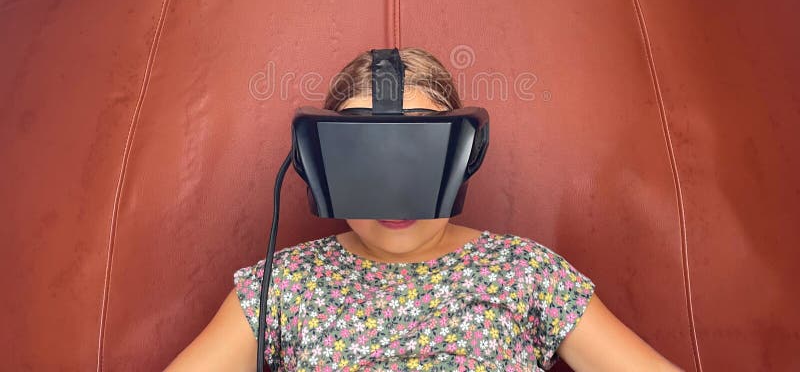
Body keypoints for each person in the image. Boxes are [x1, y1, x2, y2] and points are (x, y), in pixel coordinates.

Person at [165, 48, 683, 372]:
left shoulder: (527, 274)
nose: (394, 192)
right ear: (320, 165)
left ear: (463, 158)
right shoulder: (283, 285)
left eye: (416, 156)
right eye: (368, 161)